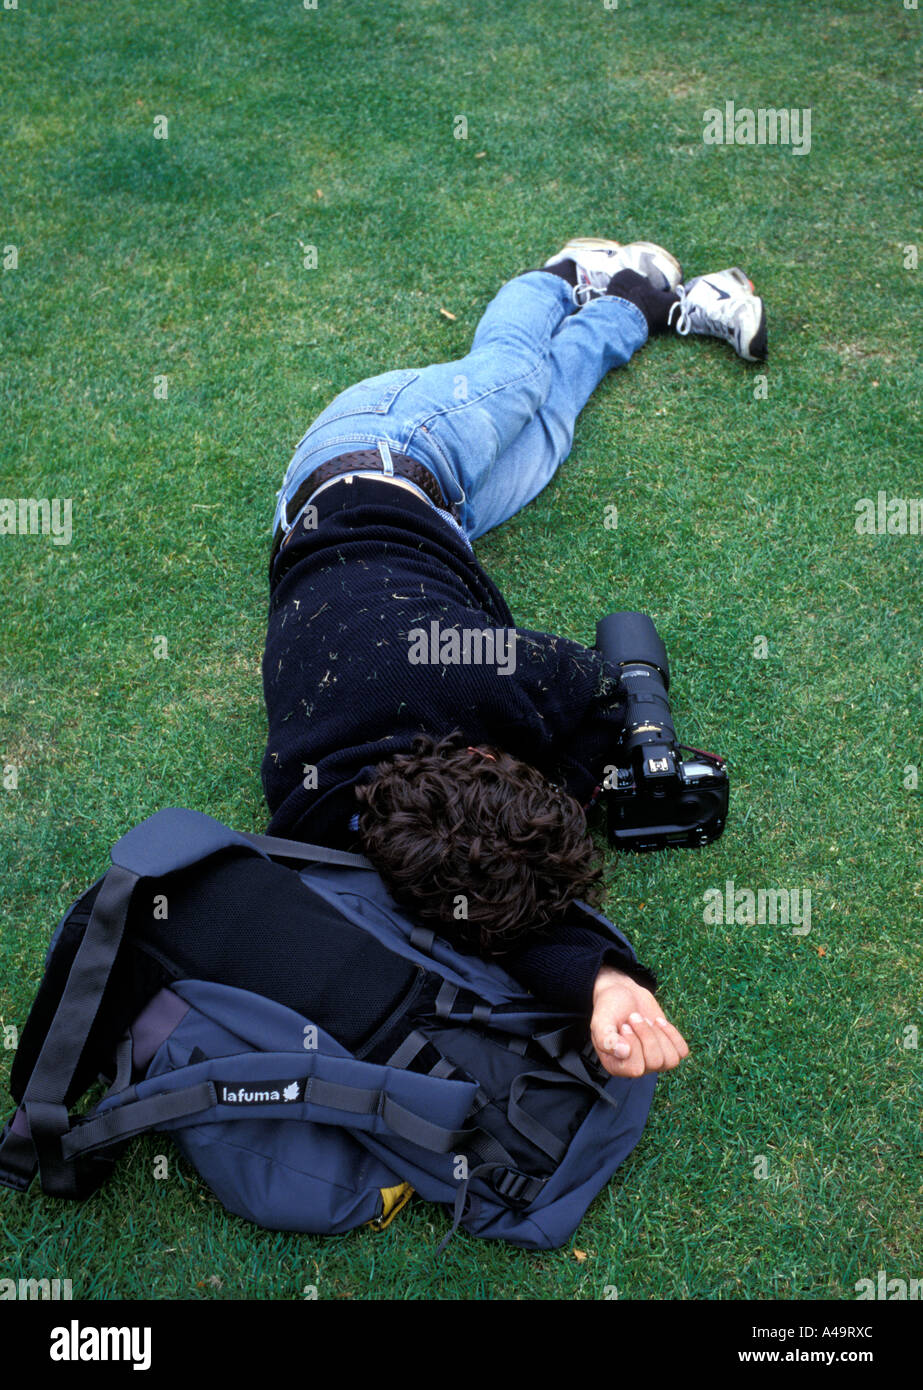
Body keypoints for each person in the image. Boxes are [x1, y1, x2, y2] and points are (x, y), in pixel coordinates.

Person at [259, 238, 767, 1083]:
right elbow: (467, 904)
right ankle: (646, 301)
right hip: (421, 516)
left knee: (516, 377)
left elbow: (596, 685)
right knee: (552, 425)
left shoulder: (473, 670)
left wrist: (580, 779)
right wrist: (599, 981)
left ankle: (569, 271)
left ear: (490, 749)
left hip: (382, 447)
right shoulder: (325, 822)